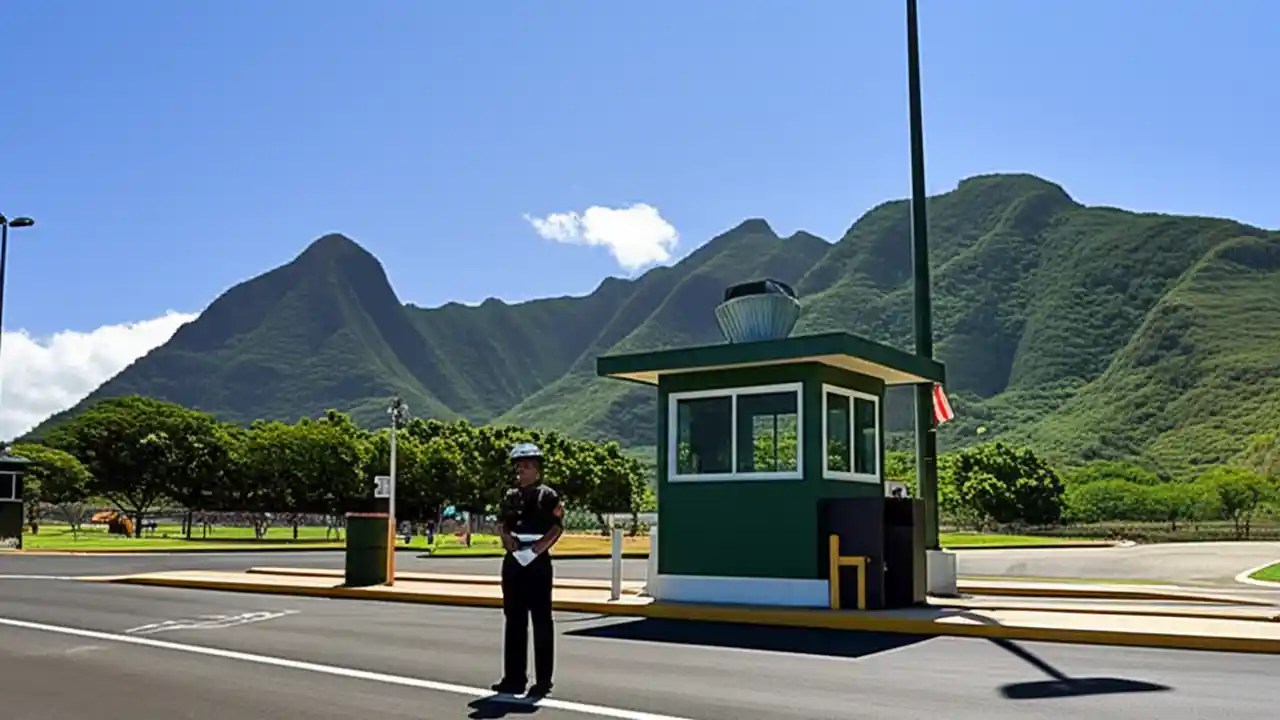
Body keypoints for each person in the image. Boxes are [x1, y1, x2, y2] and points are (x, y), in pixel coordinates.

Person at [492, 442, 564, 697]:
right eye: (518, 467)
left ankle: (543, 680)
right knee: (514, 620)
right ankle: (513, 677)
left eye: (524, 467)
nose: (519, 471)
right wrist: (506, 540)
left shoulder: (548, 496)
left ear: (536, 469)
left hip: (537, 559)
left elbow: (556, 528)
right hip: (513, 560)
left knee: (541, 620)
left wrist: (536, 550)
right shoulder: (511, 496)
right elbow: (502, 524)